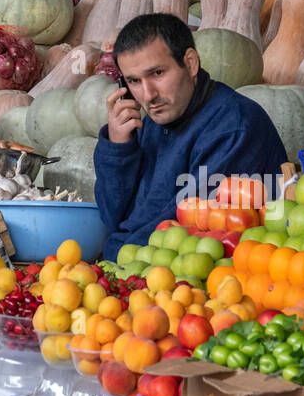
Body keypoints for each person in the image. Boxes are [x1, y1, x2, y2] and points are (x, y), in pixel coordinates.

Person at [94, 14, 288, 259]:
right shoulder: (155, 120)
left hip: (189, 276)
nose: (148, 94)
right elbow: (112, 217)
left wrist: (117, 259)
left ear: (190, 63)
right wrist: (118, 148)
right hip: (137, 264)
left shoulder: (234, 127)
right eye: (134, 81)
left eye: (157, 73)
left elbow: (187, 230)